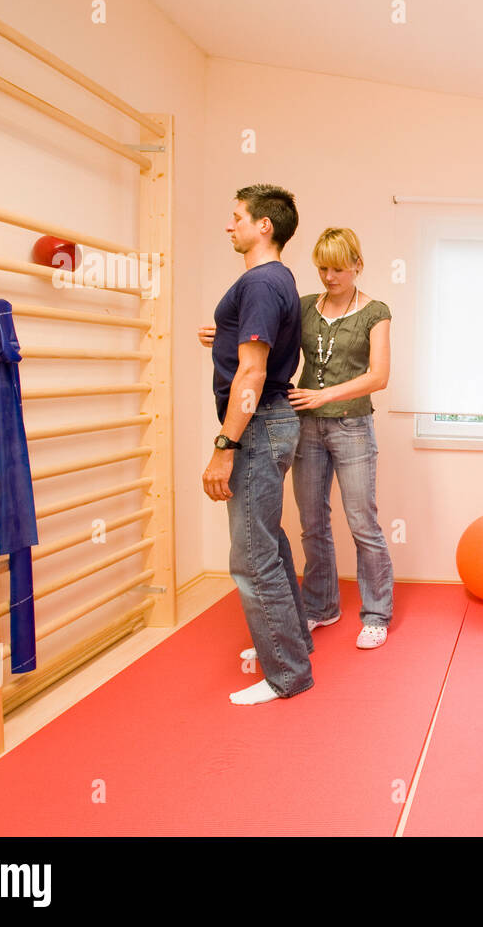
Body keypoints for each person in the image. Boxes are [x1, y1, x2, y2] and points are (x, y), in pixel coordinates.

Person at [200, 184, 312, 706]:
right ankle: (295, 645)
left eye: (238, 216)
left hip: (258, 423)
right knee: (269, 540)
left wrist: (225, 446)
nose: (231, 224)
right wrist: (222, 334)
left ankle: (286, 673)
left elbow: (253, 369)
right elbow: (249, 350)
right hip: (271, 421)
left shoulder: (263, 282)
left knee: (251, 556)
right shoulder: (274, 280)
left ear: (264, 226)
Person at [287, 228, 395, 649]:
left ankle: (376, 613)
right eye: (322, 268)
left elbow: (378, 376)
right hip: (306, 428)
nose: (329, 276)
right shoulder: (303, 308)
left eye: (337, 268)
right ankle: (321, 606)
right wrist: (222, 337)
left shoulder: (376, 312)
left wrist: (324, 395)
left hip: (352, 425)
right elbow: (270, 346)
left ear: (357, 266)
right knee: (312, 524)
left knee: (362, 524)